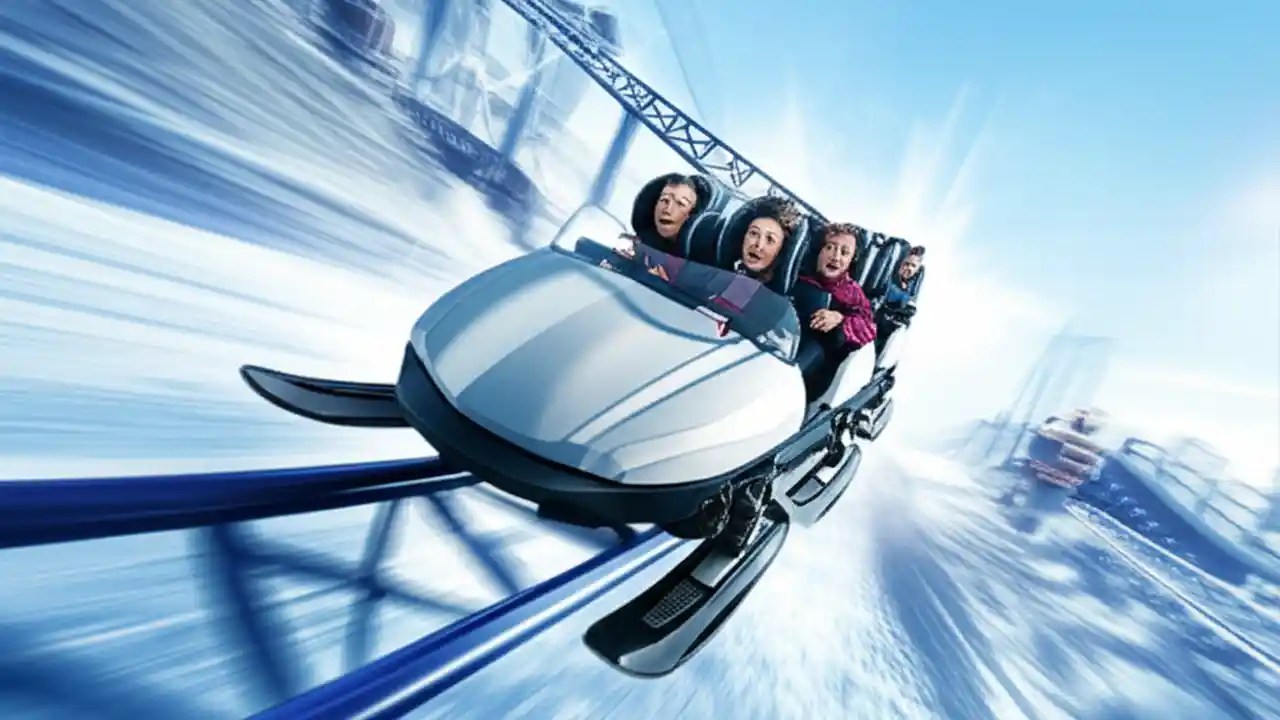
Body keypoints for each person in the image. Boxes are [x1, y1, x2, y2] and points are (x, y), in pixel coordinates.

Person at [793, 223, 877, 400]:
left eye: (844, 252)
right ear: (819, 250)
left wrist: (840, 319)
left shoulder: (852, 292)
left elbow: (869, 327)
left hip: (813, 356)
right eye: (830, 247)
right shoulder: (795, 270)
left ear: (851, 260)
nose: (835, 257)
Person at [875, 245, 924, 355]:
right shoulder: (887, 279)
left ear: (917, 269)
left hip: (892, 331)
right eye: (906, 264)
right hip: (878, 323)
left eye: (913, 266)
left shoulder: (912, 287)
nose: (909, 268)